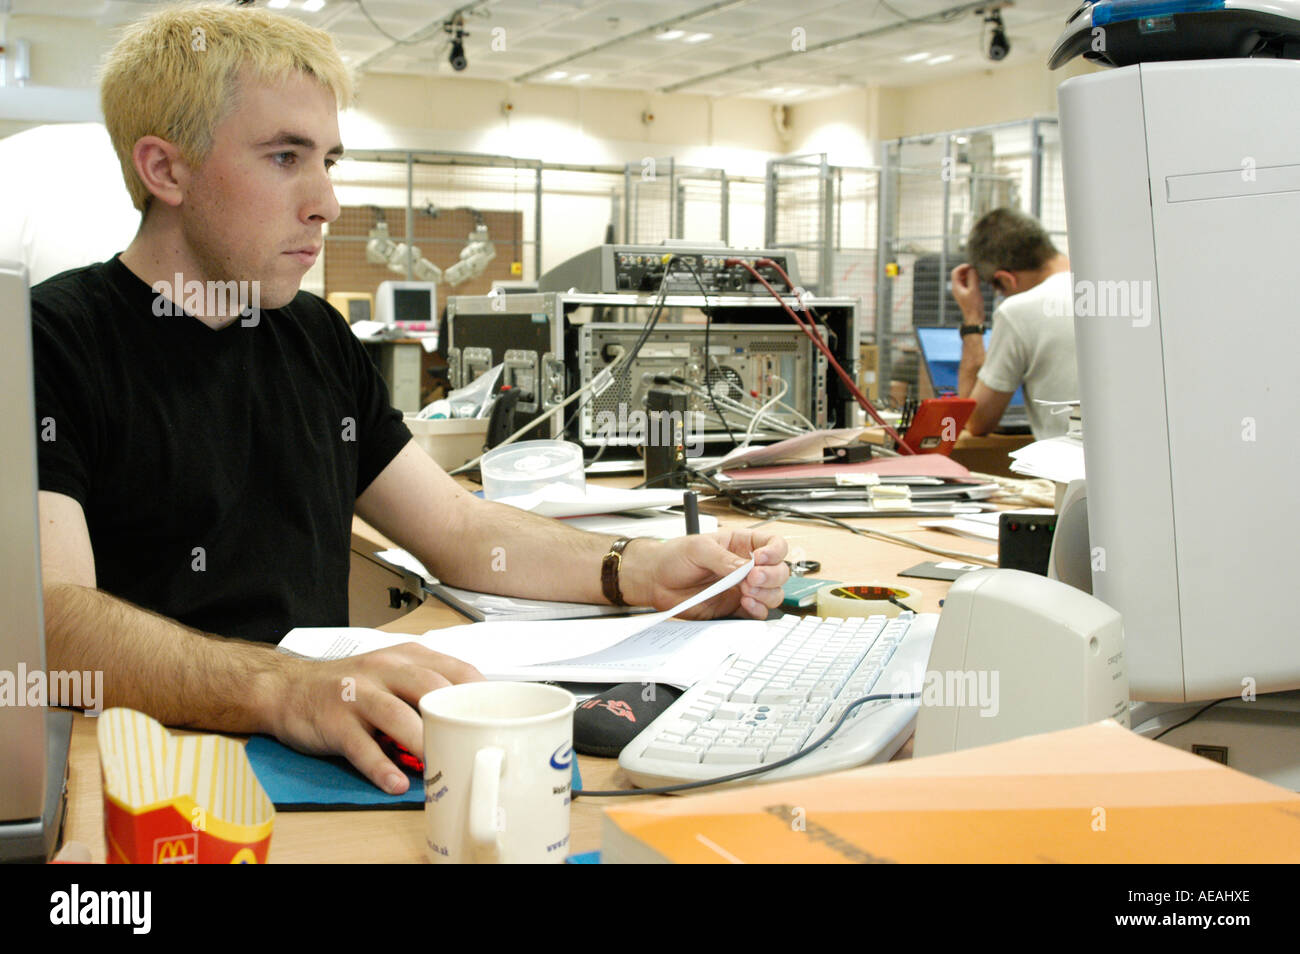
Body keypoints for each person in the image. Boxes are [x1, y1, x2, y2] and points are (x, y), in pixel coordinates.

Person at [32, 4, 789, 795]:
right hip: (146, 775)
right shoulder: (49, 344)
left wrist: (640, 569)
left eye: (329, 158)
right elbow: (52, 622)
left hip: (330, 749)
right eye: (286, 156)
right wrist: (281, 686)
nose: (325, 200)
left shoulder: (314, 336)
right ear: (166, 170)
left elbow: (458, 528)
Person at [949, 208, 1077, 440]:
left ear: (1007, 279)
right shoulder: (1113, 288)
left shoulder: (1020, 310)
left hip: (1071, 473)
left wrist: (972, 320)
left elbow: (976, 420)